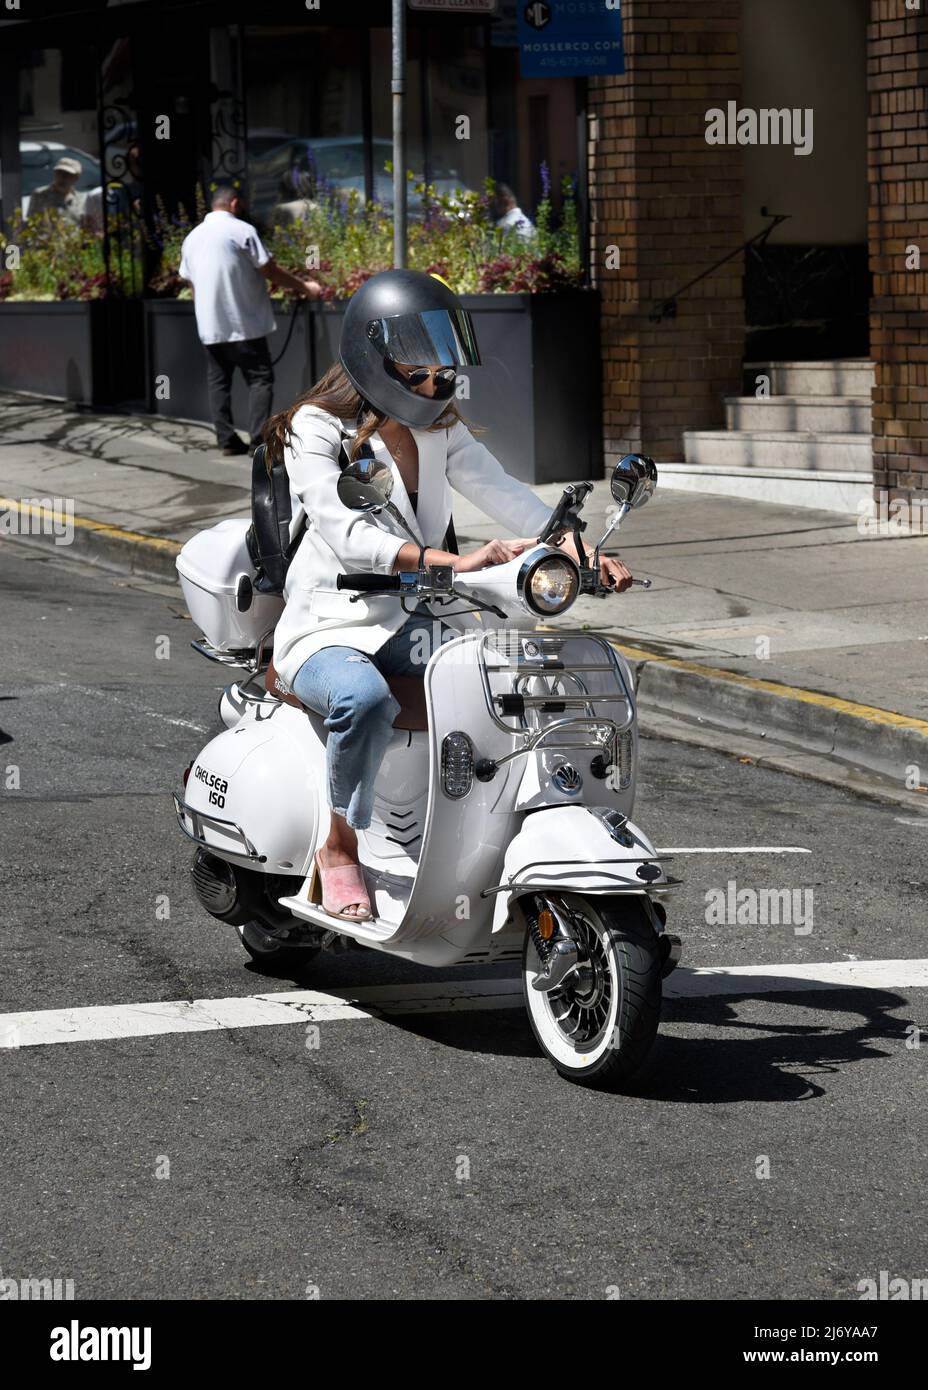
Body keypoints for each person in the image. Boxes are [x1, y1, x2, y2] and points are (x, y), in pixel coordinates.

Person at [264, 269, 633, 922]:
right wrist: (453, 562)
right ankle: (340, 848)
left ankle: (502, 841)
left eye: (444, 349)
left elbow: (508, 496)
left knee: (521, 685)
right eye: (419, 351)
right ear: (374, 353)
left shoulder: (440, 431)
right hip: (333, 625)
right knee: (363, 697)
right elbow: (345, 532)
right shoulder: (314, 429)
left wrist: (580, 552)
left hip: (426, 619)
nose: (438, 368)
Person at [179, 183, 323, 456]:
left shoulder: (192, 238)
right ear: (234, 203)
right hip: (243, 321)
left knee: (219, 381)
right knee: (260, 379)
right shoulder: (241, 230)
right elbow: (269, 269)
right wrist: (305, 287)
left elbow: (191, 280)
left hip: (211, 326)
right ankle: (257, 440)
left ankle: (226, 440)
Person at [29, 156, 85, 224]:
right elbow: (31, 222)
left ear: (76, 178)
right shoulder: (40, 194)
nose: (62, 177)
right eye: (59, 173)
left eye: (67, 174)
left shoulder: (81, 199)